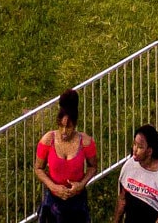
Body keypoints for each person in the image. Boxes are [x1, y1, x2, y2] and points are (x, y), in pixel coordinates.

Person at [35, 89, 97, 223]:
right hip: (54, 199)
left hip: (77, 202)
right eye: (61, 126)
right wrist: (53, 186)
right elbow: (38, 168)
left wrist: (81, 184)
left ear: (75, 125)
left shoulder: (85, 142)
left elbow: (93, 167)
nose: (64, 131)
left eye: (68, 127)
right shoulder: (48, 140)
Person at [114, 127, 158, 223]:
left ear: (149, 151)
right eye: (134, 144)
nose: (135, 149)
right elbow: (122, 199)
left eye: (140, 147)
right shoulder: (129, 166)